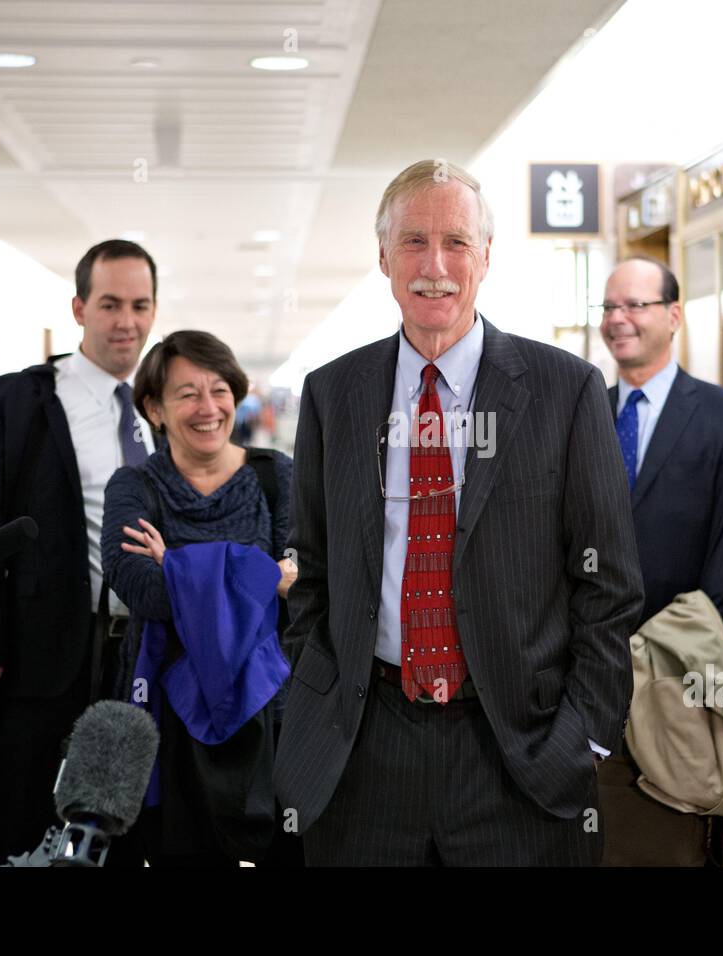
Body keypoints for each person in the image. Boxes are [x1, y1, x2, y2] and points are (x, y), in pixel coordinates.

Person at [274, 158, 644, 866]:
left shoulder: (565, 391)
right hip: (363, 750)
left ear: (486, 256)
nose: (434, 265)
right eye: (414, 241)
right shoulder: (334, 395)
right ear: (382, 257)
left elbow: (610, 584)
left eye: (456, 242)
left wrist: (583, 737)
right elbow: (312, 570)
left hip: (519, 752)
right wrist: (315, 700)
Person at [0, 239, 158, 863]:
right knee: (27, 827)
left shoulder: (163, 407)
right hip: (45, 654)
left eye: (141, 305)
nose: (127, 322)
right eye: (110, 303)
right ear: (79, 308)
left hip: (141, 656)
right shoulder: (13, 403)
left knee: (124, 831)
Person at [595, 256, 723, 866]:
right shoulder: (583, 414)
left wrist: (644, 657)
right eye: (609, 307)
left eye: (634, 305)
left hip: (690, 679)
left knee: (688, 846)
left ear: (673, 316)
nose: (619, 320)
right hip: (592, 684)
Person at [101, 330, 295, 866]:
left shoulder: (275, 477)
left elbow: (306, 587)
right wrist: (259, 574)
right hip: (169, 717)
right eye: (187, 394)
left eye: (219, 390)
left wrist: (179, 563)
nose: (207, 408)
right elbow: (142, 589)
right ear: (154, 409)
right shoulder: (134, 486)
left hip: (271, 706)